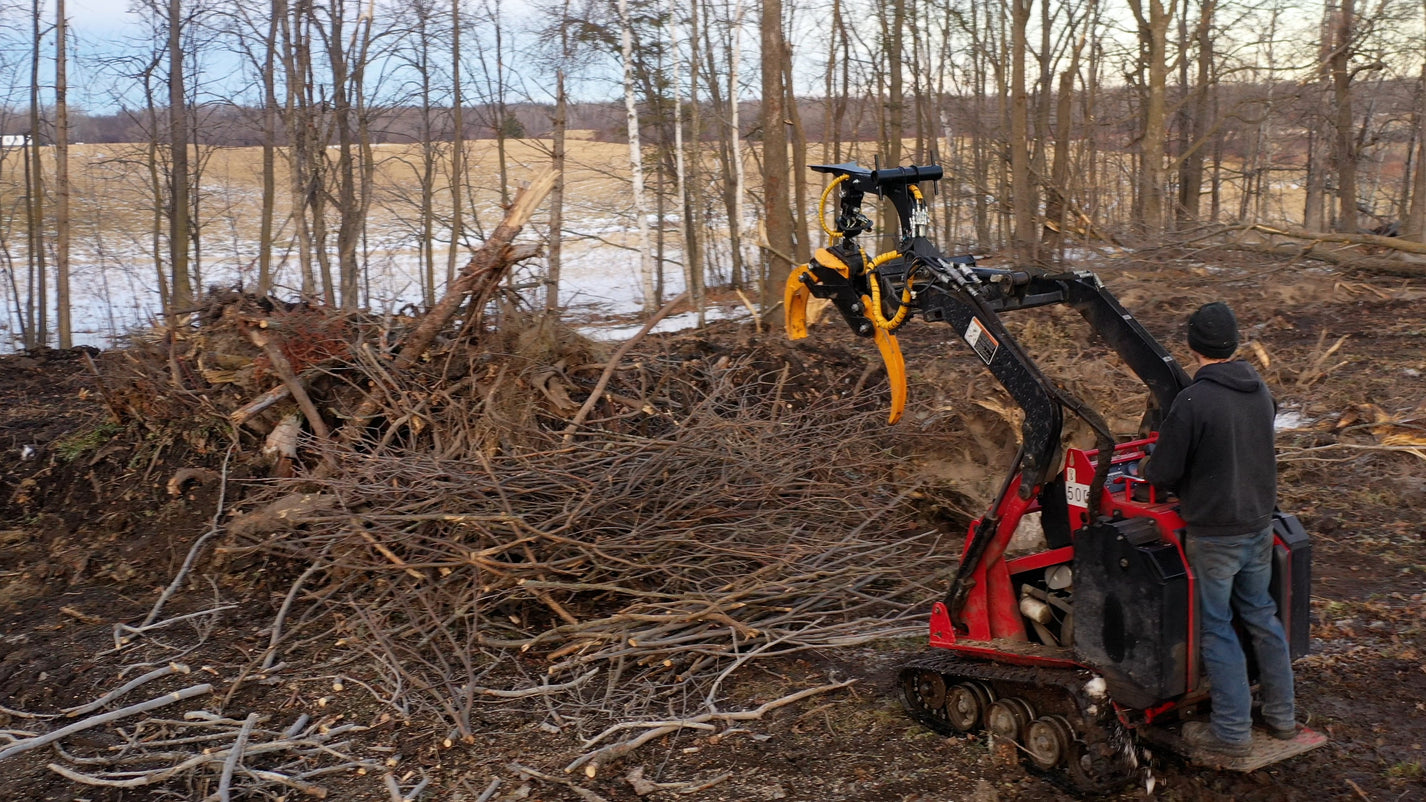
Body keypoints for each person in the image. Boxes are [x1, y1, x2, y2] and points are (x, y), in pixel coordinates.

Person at [1142, 302, 1298, 757]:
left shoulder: (1194, 400)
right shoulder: (1260, 391)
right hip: (1257, 524)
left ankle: (1231, 733)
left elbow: (1162, 472)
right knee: (1262, 616)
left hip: (1214, 534)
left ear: (1193, 346)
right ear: (1233, 343)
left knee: (1216, 626)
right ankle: (1282, 717)